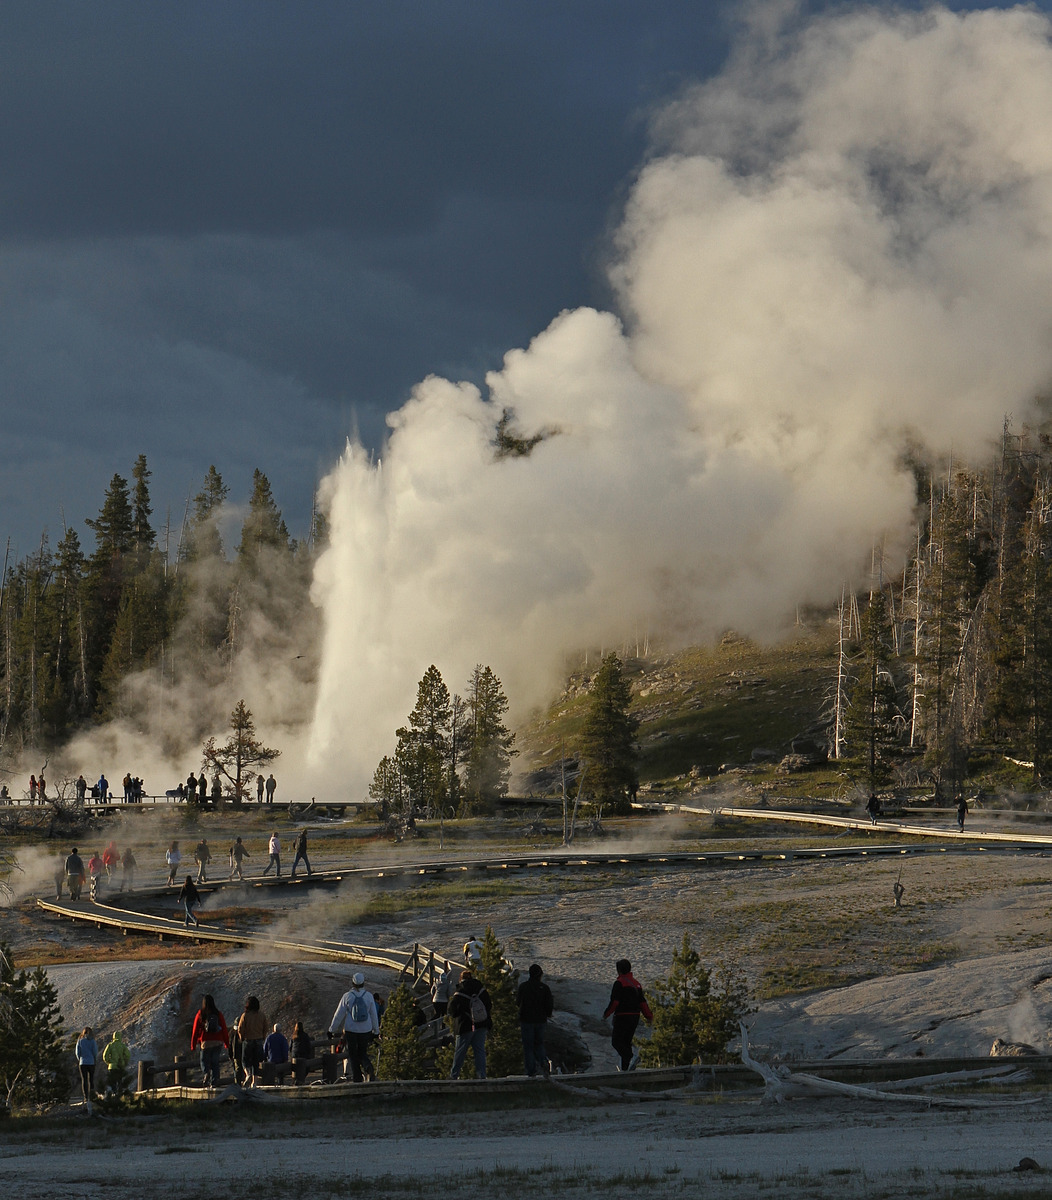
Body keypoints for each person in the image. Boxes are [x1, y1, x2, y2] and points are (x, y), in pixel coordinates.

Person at [328, 971, 380, 1082]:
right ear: (363, 983)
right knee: (362, 1052)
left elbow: (339, 1014)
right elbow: (373, 1015)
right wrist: (376, 1031)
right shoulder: (369, 996)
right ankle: (368, 1067)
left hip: (350, 1029)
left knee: (352, 1054)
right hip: (366, 1029)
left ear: (353, 983)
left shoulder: (347, 996)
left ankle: (357, 1078)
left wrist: (331, 1029)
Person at [603, 958, 653, 1072]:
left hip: (622, 1016)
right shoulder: (637, 984)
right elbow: (642, 1002)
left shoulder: (619, 983)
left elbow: (615, 1002)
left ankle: (631, 1058)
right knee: (626, 1042)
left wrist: (606, 1014)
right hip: (635, 1017)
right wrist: (649, 1016)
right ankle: (626, 1070)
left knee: (616, 1042)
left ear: (618, 971)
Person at [447, 969, 492, 1080]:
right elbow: (489, 1005)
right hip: (481, 1024)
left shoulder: (460, 991)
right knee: (480, 1051)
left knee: (460, 1052)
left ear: (461, 979)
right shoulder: (480, 989)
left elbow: (452, 1010)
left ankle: (454, 1076)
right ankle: (482, 1076)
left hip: (465, 1026)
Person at [517, 963, 554, 1077]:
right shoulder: (544, 988)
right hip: (540, 1020)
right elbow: (549, 1004)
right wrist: (548, 1014)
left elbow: (518, 1002)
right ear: (540, 975)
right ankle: (543, 1066)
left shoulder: (523, 986)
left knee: (528, 1047)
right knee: (539, 1044)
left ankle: (531, 1071)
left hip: (526, 1020)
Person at [190, 994, 229, 1088]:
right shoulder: (218, 1014)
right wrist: (226, 1043)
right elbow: (224, 1029)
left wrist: (193, 1045)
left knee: (203, 1061)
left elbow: (195, 1031)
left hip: (205, 1042)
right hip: (218, 1042)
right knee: (215, 1062)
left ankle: (206, 1072)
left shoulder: (201, 1014)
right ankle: (214, 1083)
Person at [234, 996, 267, 1087]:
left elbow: (240, 1028)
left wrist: (242, 1037)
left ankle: (248, 1074)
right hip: (259, 1040)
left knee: (245, 1060)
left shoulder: (245, 1015)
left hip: (248, 1040)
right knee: (256, 1062)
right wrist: (263, 1037)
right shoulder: (262, 1015)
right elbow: (265, 1027)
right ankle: (254, 1082)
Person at [101, 1030, 131, 1096]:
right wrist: (124, 1062)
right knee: (119, 1081)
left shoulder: (110, 1045)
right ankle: (119, 1094)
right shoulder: (122, 1046)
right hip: (120, 1066)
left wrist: (109, 1062)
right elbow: (128, 1055)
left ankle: (113, 1094)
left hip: (112, 1066)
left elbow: (105, 1056)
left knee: (112, 1081)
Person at [75, 1026, 98, 1101]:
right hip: (91, 1062)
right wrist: (94, 1059)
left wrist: (80, 1059)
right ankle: (92, 1095)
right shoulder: (92, 1041)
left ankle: (86, 1096)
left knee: (84, 1080)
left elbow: (77, 1052)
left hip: (82, 1063)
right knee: (91, 1079)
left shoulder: (80, 1041)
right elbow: (95, 1052)